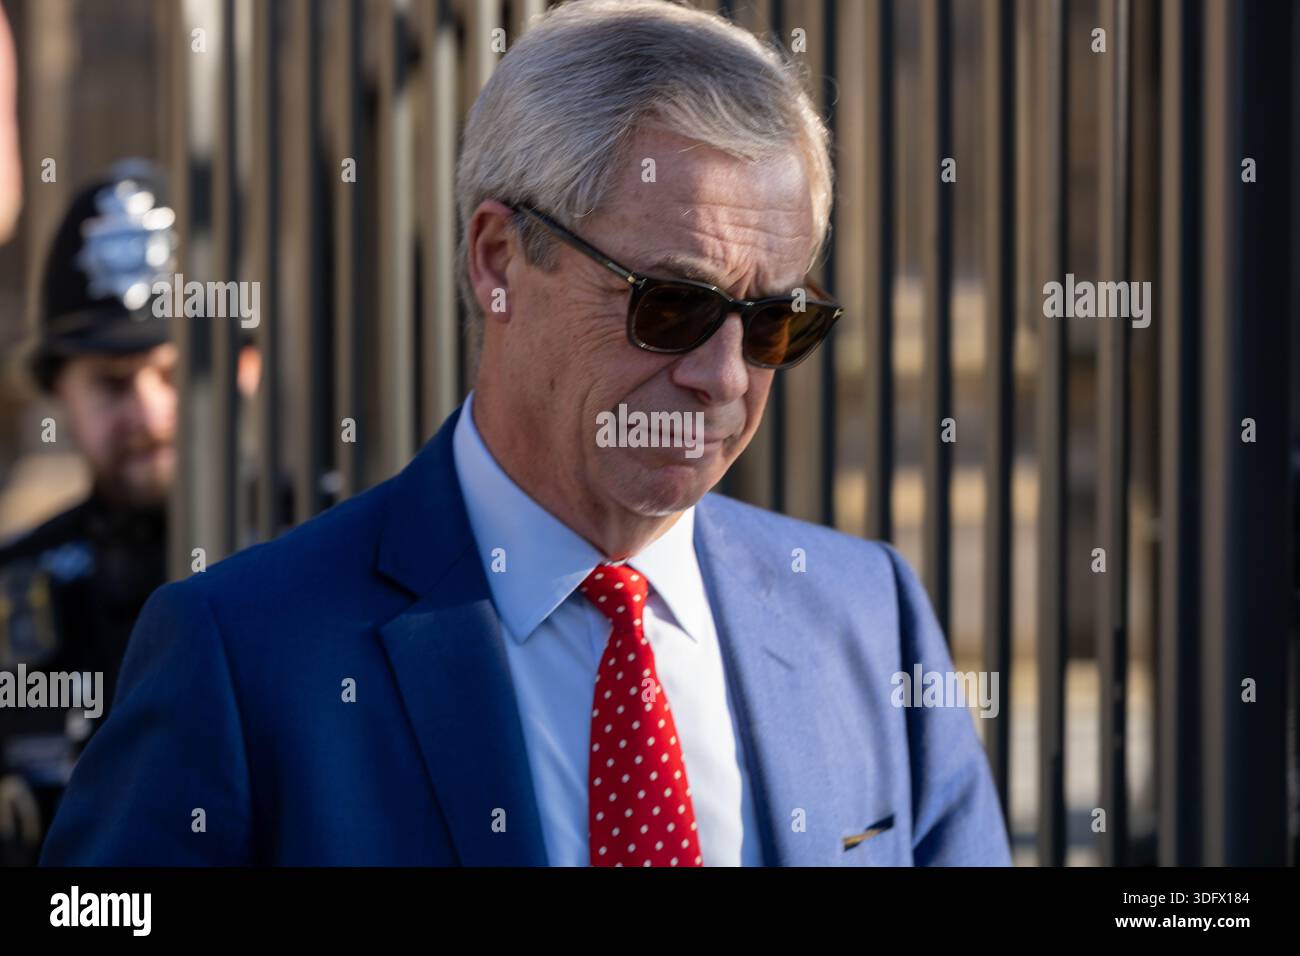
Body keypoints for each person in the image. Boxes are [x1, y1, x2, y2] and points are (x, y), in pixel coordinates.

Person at [42, 0, 1010, 866]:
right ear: (498, 257)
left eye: (772, 323)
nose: (722, 374)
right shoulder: (245, 654)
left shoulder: (867, 617)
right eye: (668, 305)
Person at [0, 160, 181, 865]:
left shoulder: (326, 550)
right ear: (58, 393)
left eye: (171, 375)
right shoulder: (16, 587)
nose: (147, 414)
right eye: (110, 384)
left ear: (243, 366)